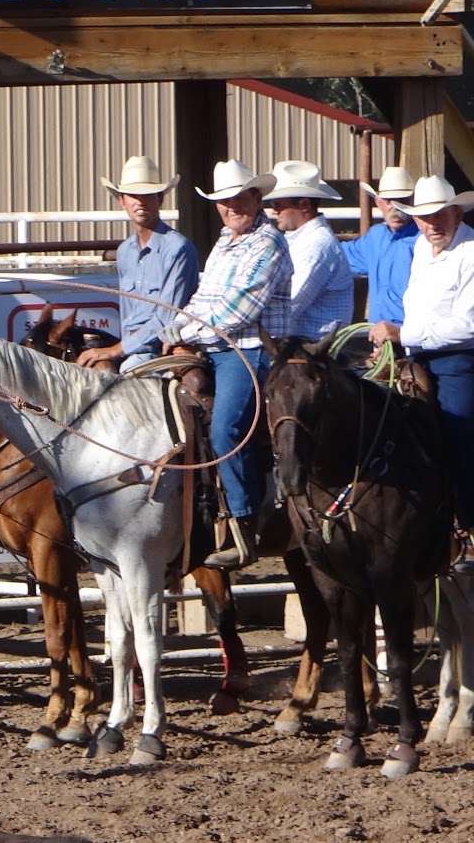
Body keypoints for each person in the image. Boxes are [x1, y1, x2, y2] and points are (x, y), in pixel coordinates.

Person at [163, 158, 292, 570]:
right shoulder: (225, 242)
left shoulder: (267, 244)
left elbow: (240, 311)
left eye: (239, 197)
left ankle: (242, 522)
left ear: (256, 197)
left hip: (250, 350)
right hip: (213, 347)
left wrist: (186, 333)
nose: (232, 206)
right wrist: (175, 326)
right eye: (224, 200)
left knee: (226, 428)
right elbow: (203, 299)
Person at [370, 174, 474, 547]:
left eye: (439, 216)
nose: (431, 224)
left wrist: (401, 334)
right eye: (424, 217)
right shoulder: (419, 248)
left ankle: (468, 521)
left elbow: (468, 325)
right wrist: (396, 344)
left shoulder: (471, 252)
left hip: (459, 360)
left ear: (457, 214)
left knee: (457, 431)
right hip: (416, 355)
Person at [77, 154, 198, 373]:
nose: (140, 201)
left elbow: (165, 318)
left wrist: (114, 351)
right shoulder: (125, 252)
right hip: (130, 348)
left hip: (162, 348)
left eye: (148, 195)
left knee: (118, 389)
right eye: (133, 195)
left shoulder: (178, 249)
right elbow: (128, 314)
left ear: (160, 199)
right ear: (122, 201)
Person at [264, 159, 353, 340]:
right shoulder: (302, 239)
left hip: (311, 348)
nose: (274, 212)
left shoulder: (316, 245)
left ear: (304, 205)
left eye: (278, 205)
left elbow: (292, 302)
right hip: (302, 343)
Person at [342, 164, 418, 328]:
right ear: (379, 202)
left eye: (402, 201)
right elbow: (335, 255)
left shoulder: (424, 240)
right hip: (379, 334)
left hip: (411, 333)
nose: (395, 208)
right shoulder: (375, 237)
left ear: (412, 202)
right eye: (389, 201)